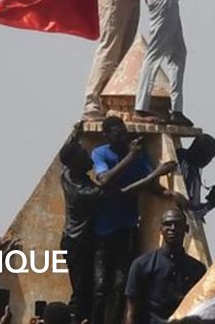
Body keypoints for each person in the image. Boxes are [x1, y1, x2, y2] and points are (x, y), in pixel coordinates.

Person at [59, 122, 184, 323]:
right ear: (107, 136)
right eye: (83, 155)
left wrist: (74, 133)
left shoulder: (66, 172)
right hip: (81, 241)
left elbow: (151, 186)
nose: (88, 156)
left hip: (117, 232)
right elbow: (116, 190)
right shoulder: (83, 190)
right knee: (88, 291)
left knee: (118, 286)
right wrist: (152, 170)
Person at [123, 210, 207, 324]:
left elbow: (203, 306)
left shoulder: (197, 269)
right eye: (168, 224)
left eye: (177, 224)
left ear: (186, 229)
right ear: (161, 229)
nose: (172, 228)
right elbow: (131, 311)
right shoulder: (141, 265)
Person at [175, 135, 215, 222]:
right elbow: (191, 214)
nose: (209, 161)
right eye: (208, 157)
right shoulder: (185, 169)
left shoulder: (193, 168)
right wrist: (211, 204)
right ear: (200, 154)